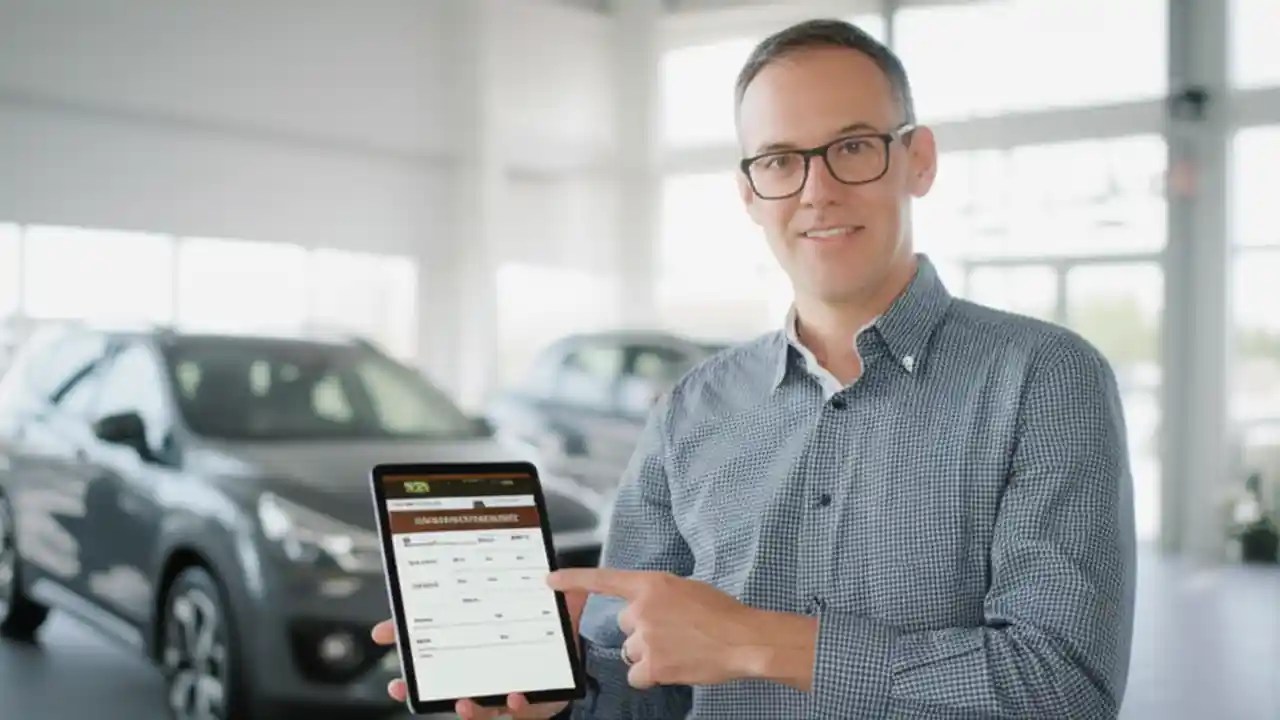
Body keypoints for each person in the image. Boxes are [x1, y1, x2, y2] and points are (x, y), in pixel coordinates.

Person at [372, 17, 1135, 719]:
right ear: (748, 192)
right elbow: (648, 689)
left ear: (919, 160)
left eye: (853, 146)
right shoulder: (690, 411)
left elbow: (1061, 686)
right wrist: (564, 697)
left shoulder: (1044, 378)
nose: (817, 189)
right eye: (779, 160)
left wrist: (752, 640)